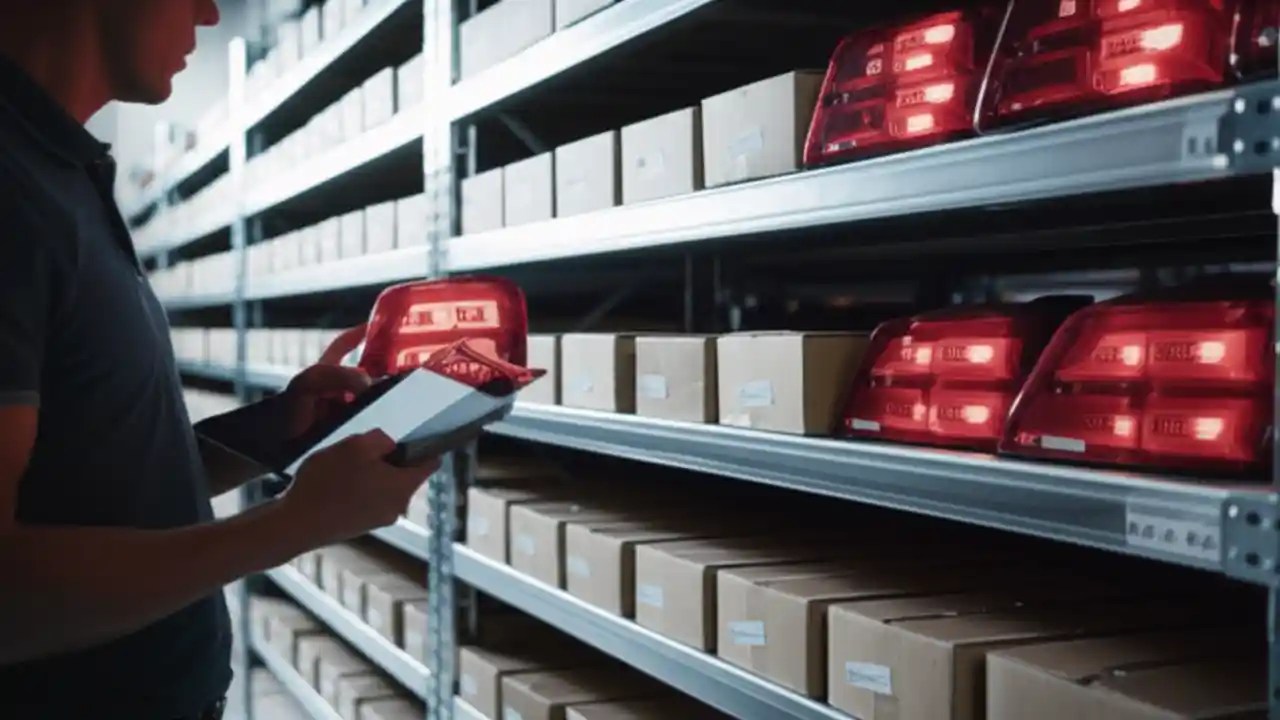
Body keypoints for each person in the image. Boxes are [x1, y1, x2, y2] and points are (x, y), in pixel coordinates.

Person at [0, 2, 438, 717]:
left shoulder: (61, 174)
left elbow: (97, 480)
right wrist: (290, 526)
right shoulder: (11, 191)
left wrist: (279, 432)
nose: (208, 14)